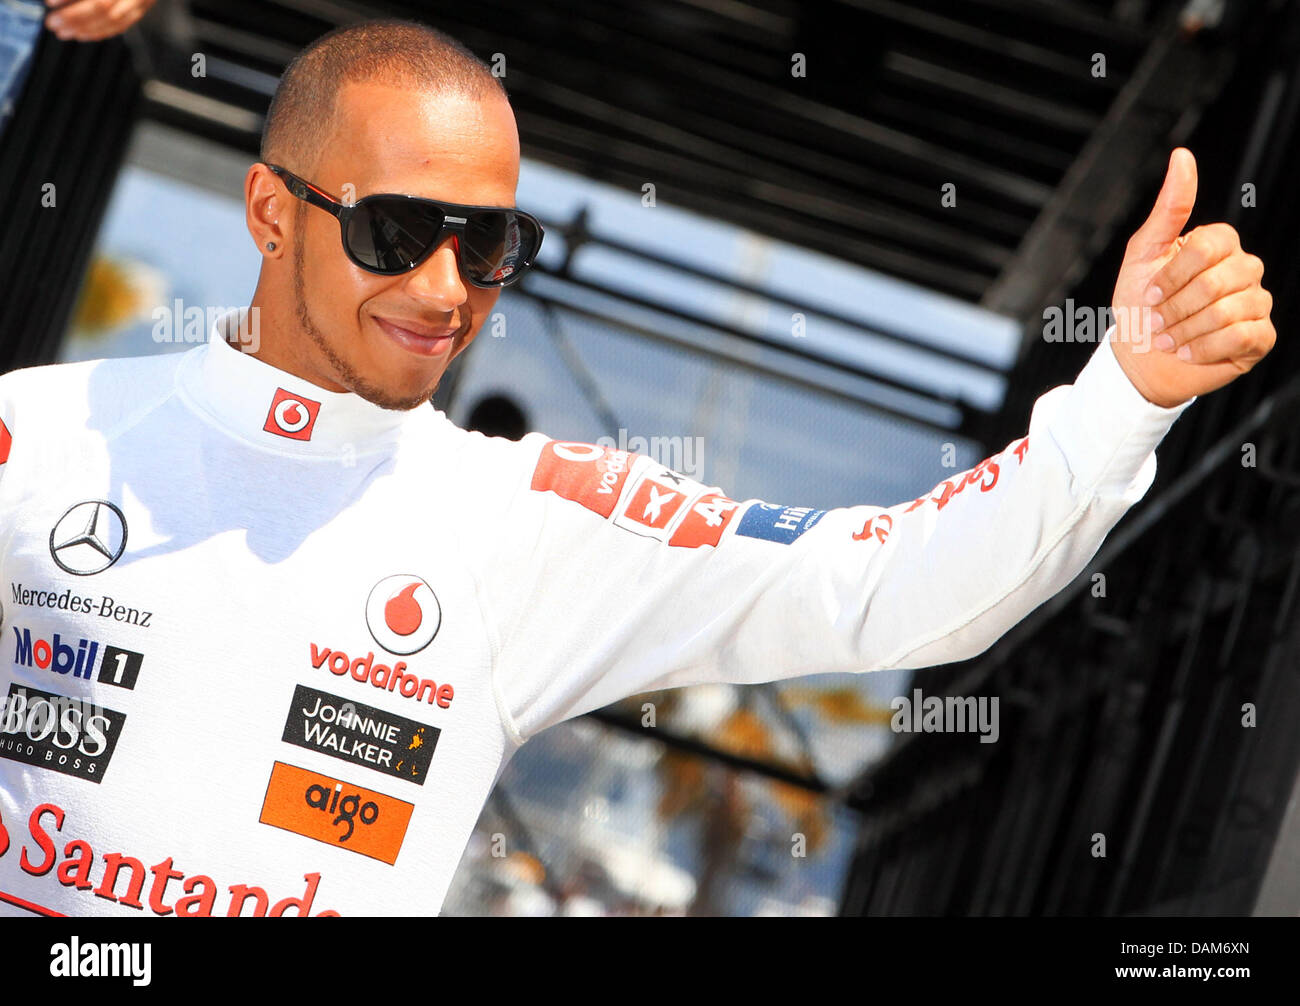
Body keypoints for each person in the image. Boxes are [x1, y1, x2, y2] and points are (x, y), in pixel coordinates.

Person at [0, 19, 1275, 917]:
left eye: (489, 244)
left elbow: (886, 585)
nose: (446, 289)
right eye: (395, 232)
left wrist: (1122, 396)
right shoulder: (32, 437)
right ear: (271, 213)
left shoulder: (522, 521)